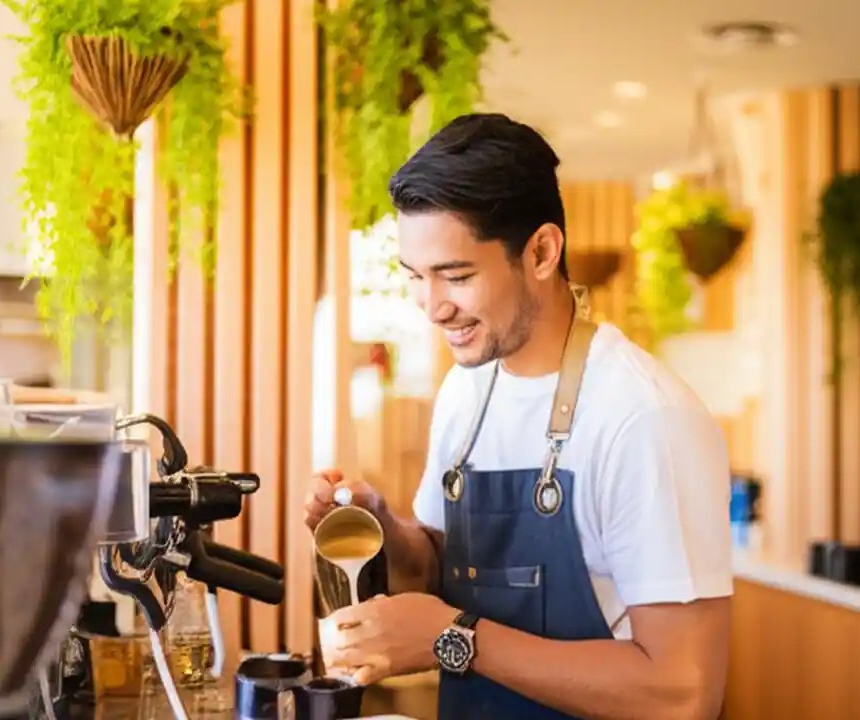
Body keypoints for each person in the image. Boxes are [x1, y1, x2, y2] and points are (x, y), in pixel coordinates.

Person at [304, 112, 733, 720]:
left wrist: (453, 637)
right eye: (417, 278)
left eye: (456, 276)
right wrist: (380, 526)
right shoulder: (465, 389)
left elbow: (682, 693)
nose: (434, 307)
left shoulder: (643, 418)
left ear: (541, 251)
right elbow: (433, 571)